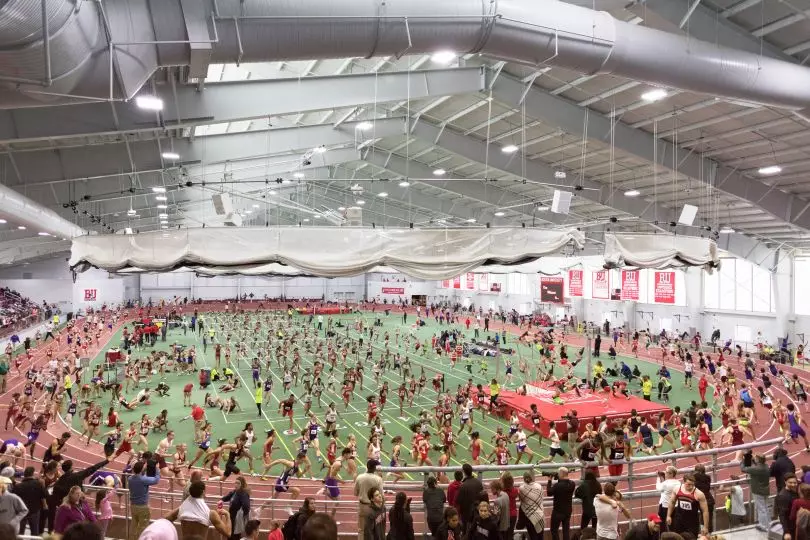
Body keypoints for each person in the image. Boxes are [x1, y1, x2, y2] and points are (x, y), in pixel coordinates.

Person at [49, 458, 109, 532]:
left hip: (66, 520)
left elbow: (58, 527)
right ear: (71, 468)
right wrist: (107, 461)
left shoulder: (59, 482)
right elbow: (92, 469)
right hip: (77, 517)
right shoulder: (77, 476)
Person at [166, 481, 232, 539]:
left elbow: (165, 518)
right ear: (203, 492)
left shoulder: (181, 509)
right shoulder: (210, 513)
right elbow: (228, 533)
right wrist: (227, 515)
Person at [129, 460, 160, 539]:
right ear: (142, 470)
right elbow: (156, 480)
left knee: (134, 525)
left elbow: (140, 476)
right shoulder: (143, 480)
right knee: (143, 527)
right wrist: (157, 470)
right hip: (143, 507)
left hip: (133, 506)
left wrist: (143, 469)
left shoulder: (130, 479)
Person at [742, 453, 772, 531]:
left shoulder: (756, 469)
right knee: (765, 507)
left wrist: (742, 461)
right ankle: (768, 523)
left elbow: (743, 469)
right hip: (765, 489)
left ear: (758, 460)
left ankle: (763, 526)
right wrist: (752, 460)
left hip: (758, 491)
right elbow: (756, 466)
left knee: (761, 508)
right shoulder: (766, 466)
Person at [355, 460, 384, 538]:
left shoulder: (359, 477)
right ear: (374, 468)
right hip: (373, 508)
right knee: (374, 530)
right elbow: (381, 495)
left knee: (361, 530)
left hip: (362, 506)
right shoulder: (378, 479)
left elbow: (355, 493)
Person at [548, 467, 576, 540]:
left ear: (562, 474)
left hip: (557, 512)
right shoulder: (572, 484)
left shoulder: (557, 486)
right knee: (566, 531)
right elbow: (564, 483)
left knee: (554, 530)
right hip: (568, 511)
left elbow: (549, 492)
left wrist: (549, 481)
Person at [518, 471, 545, 540]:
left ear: (524, 478)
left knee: (533, 536)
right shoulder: (539, 486)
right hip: (539, 515)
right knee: (540, 536)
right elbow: (542, 497)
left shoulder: (521, 488)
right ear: (532, 477)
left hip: (528, 516)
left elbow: (521, 500)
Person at [456, 463, 484, 528]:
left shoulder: (463, 486)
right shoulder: (478, 483)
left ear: (464, 473)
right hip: (477, 513)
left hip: (466, 515)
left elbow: (458, 501)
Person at [692, 464, 714, 532]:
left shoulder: (695, 478)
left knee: (699, 519)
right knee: (708, 520)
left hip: (700, 501)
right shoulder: (707, 477)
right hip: (709, 500)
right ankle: (708, 535)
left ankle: (703, 534)